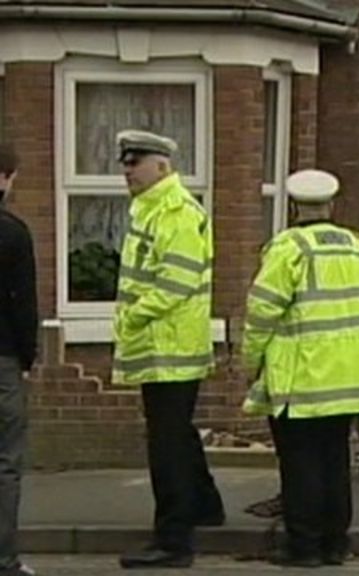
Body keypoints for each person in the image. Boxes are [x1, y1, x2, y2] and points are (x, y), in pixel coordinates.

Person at [241, 169, 359, 568]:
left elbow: (262, 311)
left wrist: (251, 361)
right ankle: (336, 542)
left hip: (302, 375)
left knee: (300, 462)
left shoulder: (289, 249)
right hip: (351, 376)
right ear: (332, 205)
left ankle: (304, 546)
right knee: (335, 459)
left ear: (295, 207)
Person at [112, 130, 224, 569]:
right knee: (177, 433)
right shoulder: (152, 210)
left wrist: (132, 317)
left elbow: (175, 284)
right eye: (124, 163)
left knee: (166, 445)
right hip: (164, 344)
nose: (126, 171)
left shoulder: (175, 213)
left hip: (168, 345)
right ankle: (205, 506)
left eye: (134, 162)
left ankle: (174, 540)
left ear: (162, 166)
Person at [0, 144, 39, 576]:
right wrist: (28, 357)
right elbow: (22, 305)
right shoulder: (12, 232)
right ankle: (3, 560)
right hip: (2, 358)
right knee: (5, 463)